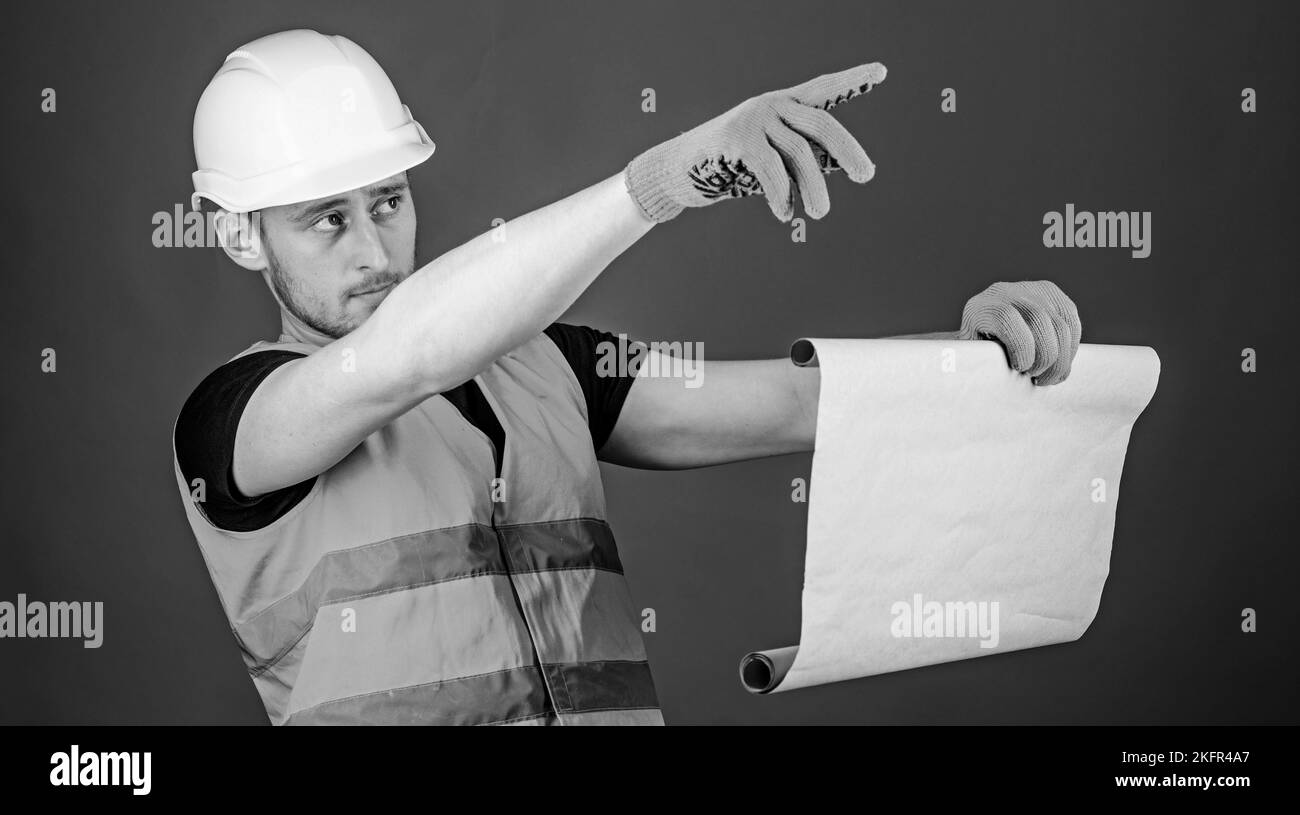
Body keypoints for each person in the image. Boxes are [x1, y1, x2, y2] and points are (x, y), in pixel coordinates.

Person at [172, 29, 1082, 726]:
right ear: (240, 234)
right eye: (324, 220)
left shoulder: (548, 363)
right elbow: (406, 354)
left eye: (389, 201)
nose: (374, 249)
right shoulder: (234, 421)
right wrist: (655, 185)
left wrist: (974, 350)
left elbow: (807, 402)